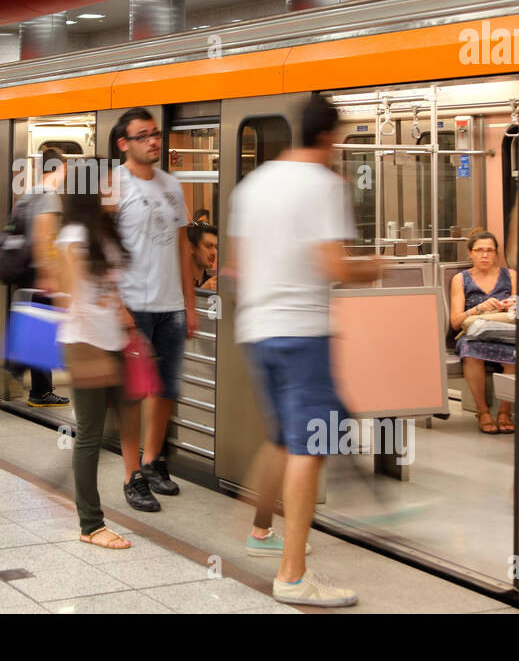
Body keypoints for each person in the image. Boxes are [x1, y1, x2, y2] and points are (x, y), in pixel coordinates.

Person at [230, 93, 378, 607]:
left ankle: (258, 532)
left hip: (257, 329)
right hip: (302, 332)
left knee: (280, 438)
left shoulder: (254, 183)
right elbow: (335, 267)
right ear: (328, 137)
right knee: (309, 448)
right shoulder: (323, 185)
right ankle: (294, 576)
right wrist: (374, 266)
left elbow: (240, 264)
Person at [112, 106, 198, 509]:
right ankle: (131, 477)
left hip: (170, 306)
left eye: (156, 134)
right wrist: (116, 306)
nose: (153, 141)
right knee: (133, 395)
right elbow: (102, 250)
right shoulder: (113, 185)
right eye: (143, 135)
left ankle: (152, 461)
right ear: (124, 144)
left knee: (164, 390)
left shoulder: (172, 186)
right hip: (133, 306)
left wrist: (190, 303)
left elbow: (183, 248)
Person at [58, 180, 144, 548]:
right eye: (108, 185)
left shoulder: (102, 230)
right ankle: (90, 525)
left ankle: (130, 482)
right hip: (85, 343)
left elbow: (107, 286)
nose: (116, 190)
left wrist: (125, 319)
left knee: (126, 418)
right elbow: (72, 294)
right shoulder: (74, 236)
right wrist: (92, 354)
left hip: (112, 342)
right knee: (91, 435)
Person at [7, 147, 71, 408]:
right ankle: (38, 390)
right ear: (58, 169)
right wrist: (48, 273)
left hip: (25, 270)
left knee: (36, 331)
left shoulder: (28, 194)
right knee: (43, 332)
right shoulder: (49, 196)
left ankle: (31, 383)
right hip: (39, 272)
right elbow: (45, 237)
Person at [449, 229, 518, 434]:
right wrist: (479, 308)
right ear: (470, 253)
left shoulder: (511, 275)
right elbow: (455, 321)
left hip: (504, 331)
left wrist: (510, 305)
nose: (485, 255)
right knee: (471, 351)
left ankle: (505, 412)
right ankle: (483, 411)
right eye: (479, 250)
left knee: (515, 355)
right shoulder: (461, 280)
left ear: (497, 253)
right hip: (474, 334)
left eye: (489, 250)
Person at [187, 222, 219, 290]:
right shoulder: (176, 281)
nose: (214, 252)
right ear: (191, 248)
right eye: (208, 246)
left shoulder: (211, 281)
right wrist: (203, 290)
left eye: (216, 247)